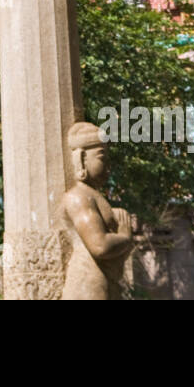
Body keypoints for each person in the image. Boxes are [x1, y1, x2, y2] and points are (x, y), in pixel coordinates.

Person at [59, 122, 134, 300]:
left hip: (106, 280)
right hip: (88, 284)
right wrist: (124, 236)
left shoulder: (92, 195)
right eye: (102, 158)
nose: (108, 166)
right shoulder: (78, 197)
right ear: (81, 159)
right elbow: (99, 246)